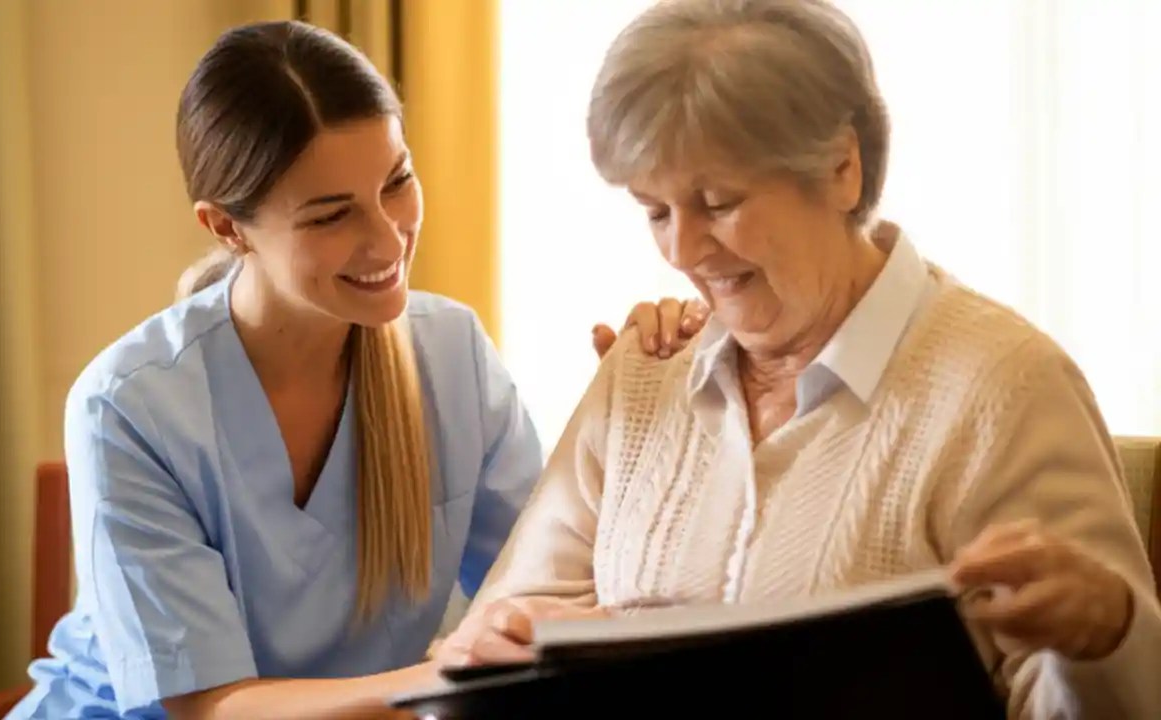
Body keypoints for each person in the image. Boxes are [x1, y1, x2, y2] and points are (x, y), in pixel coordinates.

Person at [439, 1, 1161, 717]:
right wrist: (503, 643)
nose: (681, 251)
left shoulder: (1004, 387)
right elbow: (497, 632)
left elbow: (1106, 696)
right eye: (655, 212)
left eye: (718, 202)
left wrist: (1104, 636)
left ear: (842, 168)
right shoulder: (646, 370)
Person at [8, 20, 706, 720]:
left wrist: (647, 415)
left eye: (397, 181)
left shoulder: (451, 354)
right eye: (330, 215)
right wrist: (441, 676)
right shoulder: (128, 406)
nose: (386, 238)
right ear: (226, 227)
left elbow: (550, 588)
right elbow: (210, 707)